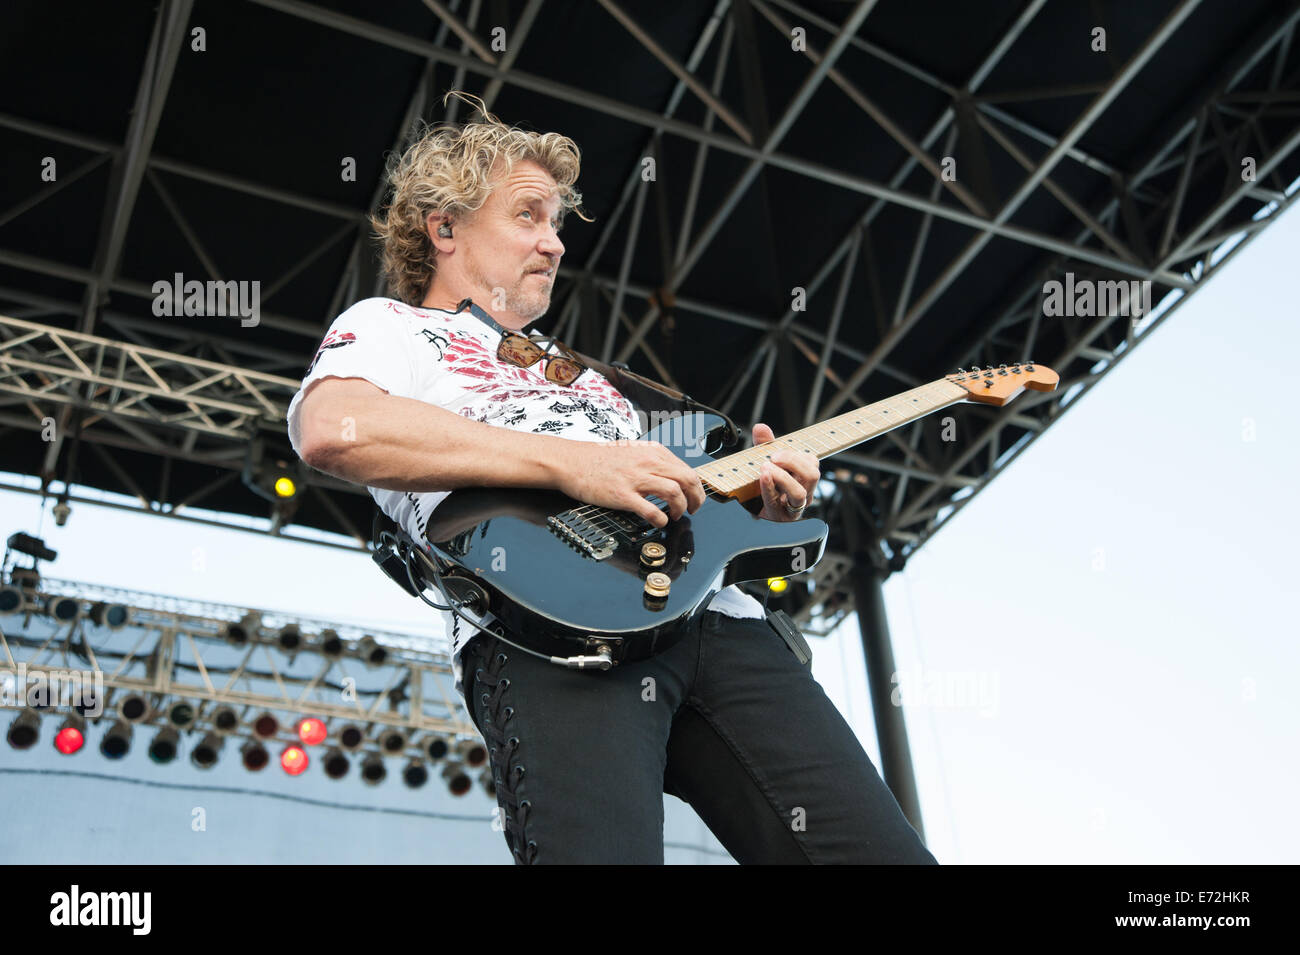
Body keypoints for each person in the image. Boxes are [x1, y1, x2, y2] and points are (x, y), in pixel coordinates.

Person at [288, 93, 937, 865]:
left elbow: (672, 487)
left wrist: (758, 497)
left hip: (716, 620)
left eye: (558, 224)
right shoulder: (393, 328)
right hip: (548, 633)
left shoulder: (591, 380)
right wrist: (573, 462)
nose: (554, 243)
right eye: (529, 215)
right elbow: (332, 427)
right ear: (446, 226)